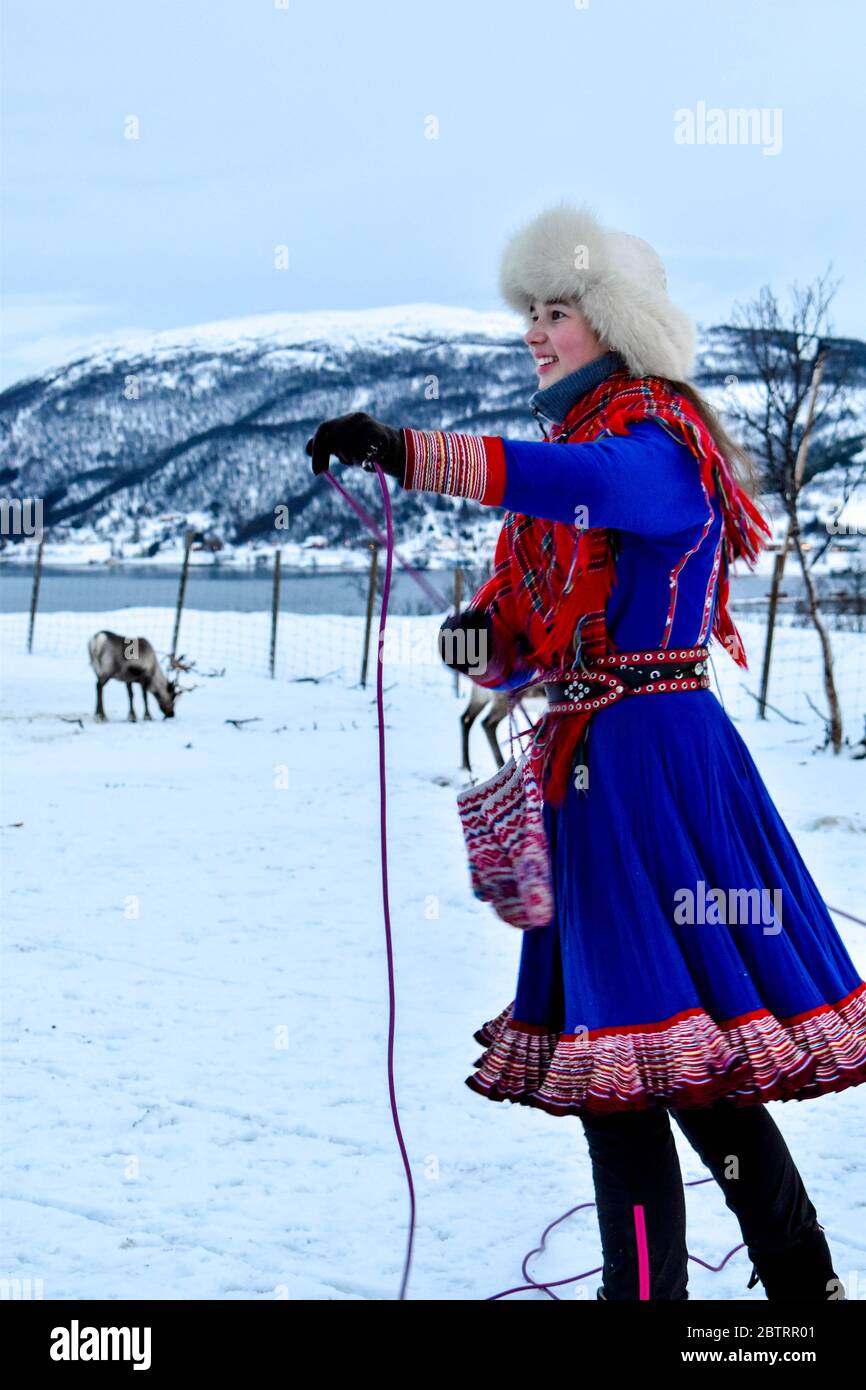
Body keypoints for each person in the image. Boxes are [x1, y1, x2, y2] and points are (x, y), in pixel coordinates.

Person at [306, 202, 866, 1301]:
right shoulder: (569, 466)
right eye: (529, 312)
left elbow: (586, 491)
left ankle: (696, 1295)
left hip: (655, 767)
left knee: (638, 1052)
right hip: (585, 764)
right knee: (660, 1050)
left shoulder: (656, 442)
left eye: (554, 311)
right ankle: (791, 1291)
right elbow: (515, 634)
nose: (533, 332)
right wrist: (481, 644)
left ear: (610, 323)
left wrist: (405, 450)